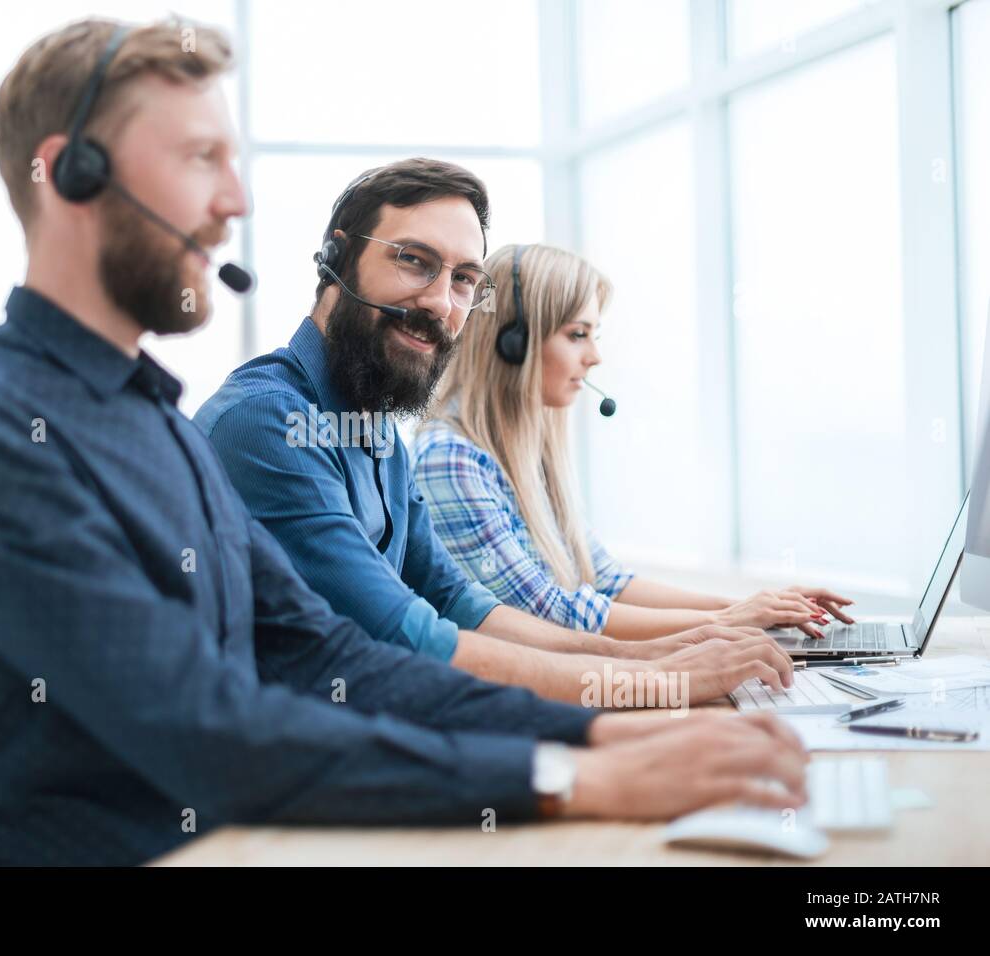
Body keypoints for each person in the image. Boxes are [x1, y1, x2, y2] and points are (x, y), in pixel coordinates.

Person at [0, 18, 806, 866]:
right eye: (202, 158)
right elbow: (203, 725)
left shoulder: (160, 428)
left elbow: (334, 659)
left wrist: (608, 734)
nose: (234, 200)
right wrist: (576, 775)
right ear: (72, 172)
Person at [195, 159, 796, 705]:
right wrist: (653, 677)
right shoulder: (267, 422)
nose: (440, 303)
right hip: (276, 783)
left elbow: (455, 600)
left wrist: (653, 657)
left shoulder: (375, 427)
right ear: (337, 256)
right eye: (413, 260)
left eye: (462, 280)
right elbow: (408, 633)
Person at [414, 242, 856, 641]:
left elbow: (607, 581)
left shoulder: (529, 454)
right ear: (513, 342)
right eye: (577, 334)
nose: (595, 356)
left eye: (594, 335)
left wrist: (756, 607)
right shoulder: (451, 458)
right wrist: (728, 621)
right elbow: (547, 615)